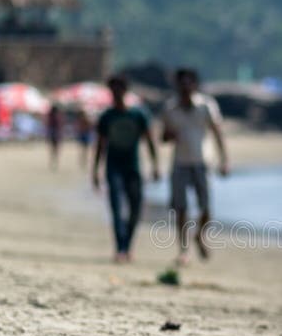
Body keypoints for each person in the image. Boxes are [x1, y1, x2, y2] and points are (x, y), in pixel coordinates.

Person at [162, 68, 229, 265]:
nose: (184, 87)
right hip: (180, 163)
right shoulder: (170, 108)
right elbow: (163, 136)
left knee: (206, 208)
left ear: (194, 85)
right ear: (177, 85)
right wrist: (169, 136)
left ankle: (200, 235)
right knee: (180, 209)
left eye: (188, 83)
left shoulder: (206, 106)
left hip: (203, 162)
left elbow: (218, 132)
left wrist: (225, 159)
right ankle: (184, 250)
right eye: (181, 83)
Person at [92, 75, 159, 263]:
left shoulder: (139, 115)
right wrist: (95, 171)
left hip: (133, 168)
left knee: (136, 209)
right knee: (116, 208)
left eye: (119, 89)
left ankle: (128, 245)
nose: (116, 93)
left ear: (125, 90)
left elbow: (149, 140)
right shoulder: (107, 117)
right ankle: (120, 248)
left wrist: (155, 165)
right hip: (113, 168)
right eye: (112, 90)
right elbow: (100, 145)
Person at [46, 105, 63, 169]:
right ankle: (55, 161)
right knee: (56, 149)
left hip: (52, 133)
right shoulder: (57, 116)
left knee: (52, 149)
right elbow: (59, 125)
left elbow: (48, 125)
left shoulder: (50, 116)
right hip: (55, 133)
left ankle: (52, 161)